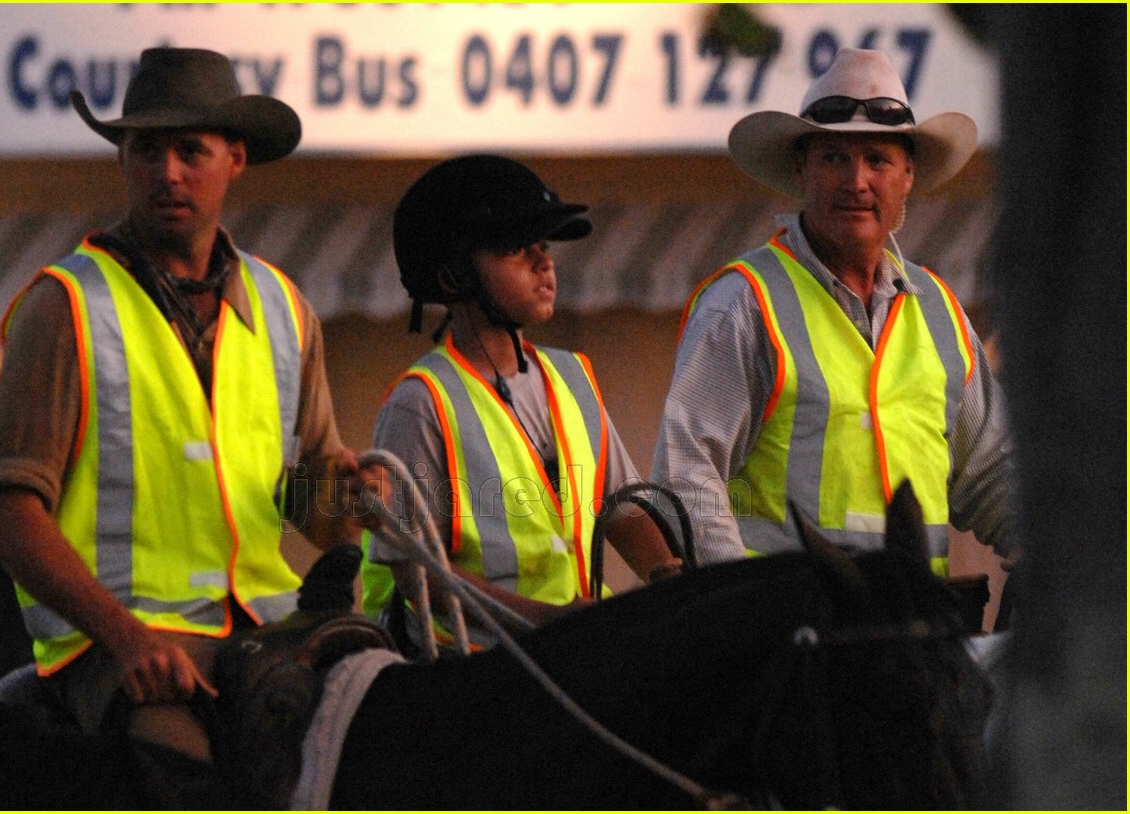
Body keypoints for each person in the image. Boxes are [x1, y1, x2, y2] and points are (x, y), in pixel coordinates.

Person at [0, 46, 379, 797]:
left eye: (190, 150)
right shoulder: (65, 306)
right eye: (146, 149)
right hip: (115, 646)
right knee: (186, 780)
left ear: (236, 159)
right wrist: (126, 638)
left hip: (267, 630)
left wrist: (351, 496)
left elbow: (310, 509)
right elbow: (8, 518)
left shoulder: (287, 309)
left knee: (391, 740)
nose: (167, 172)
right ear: (123, 159)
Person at [652, 48, 1019, 572]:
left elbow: (991, 472)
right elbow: (686, 473)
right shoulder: (743, 304)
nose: (856, 181)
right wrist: (745, 600)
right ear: (802, 170)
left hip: (913, 636)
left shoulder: (941, 311)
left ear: (908, 175)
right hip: (794, 640)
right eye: (834, 158)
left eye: (878, 159)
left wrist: (1047, 553)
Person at [360, 154, 681, 649]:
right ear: (452, 278)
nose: (544, 262)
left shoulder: (573, 377)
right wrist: (550, 623)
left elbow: (624, 509)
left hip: (569, 652)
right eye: (515, 249)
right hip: (468, 669)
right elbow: (421, 579)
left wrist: (669, 579)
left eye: (543, 245)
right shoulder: (420, 404)